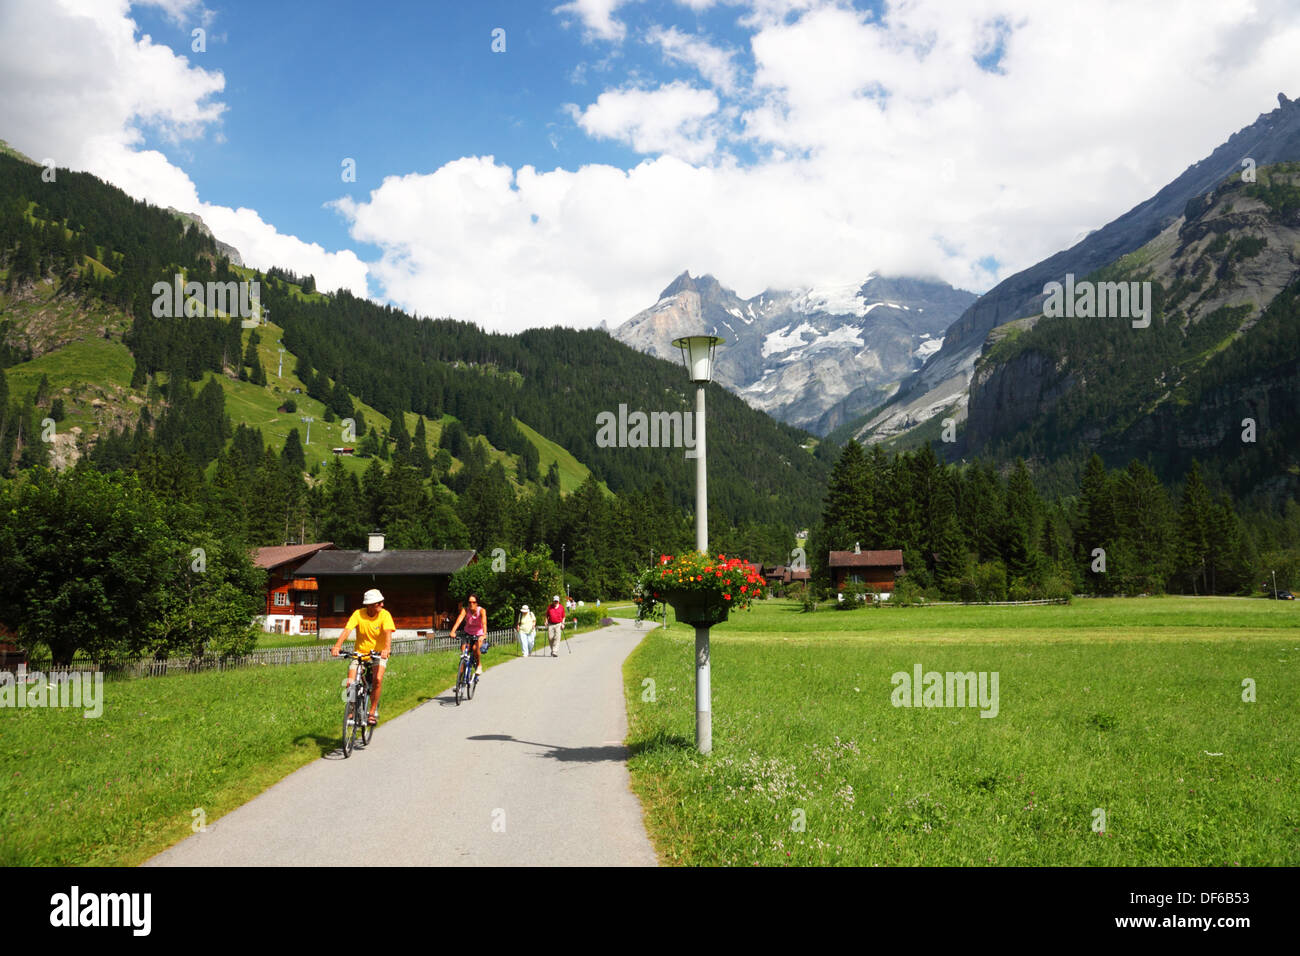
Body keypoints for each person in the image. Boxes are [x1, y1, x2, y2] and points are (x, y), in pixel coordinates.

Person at [331, 588, 395, 726]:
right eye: (379, 603)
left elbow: (388, 633)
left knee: (377, 679)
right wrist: (337, 646)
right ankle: (352, 709)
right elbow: (347, 630)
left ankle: (372, 712)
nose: (382, 605)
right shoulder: (358, 614)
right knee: (350, 683)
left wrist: (386, 649)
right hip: (360, 654)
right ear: (370, 605)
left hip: (378, 654)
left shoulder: (385, 615)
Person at [451, 593, 487, 676]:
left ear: (477, 603)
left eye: (473, 602)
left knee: (475, 648)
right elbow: (459, 620)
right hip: (468, 633)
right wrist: (453, 631)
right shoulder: (465, 610)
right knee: (464, 652)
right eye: (469, 602)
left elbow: (484, 623)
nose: (471, 604)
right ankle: (459, 681)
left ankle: (479, 665)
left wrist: (484, 635)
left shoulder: (481, 611)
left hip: (478, 634)